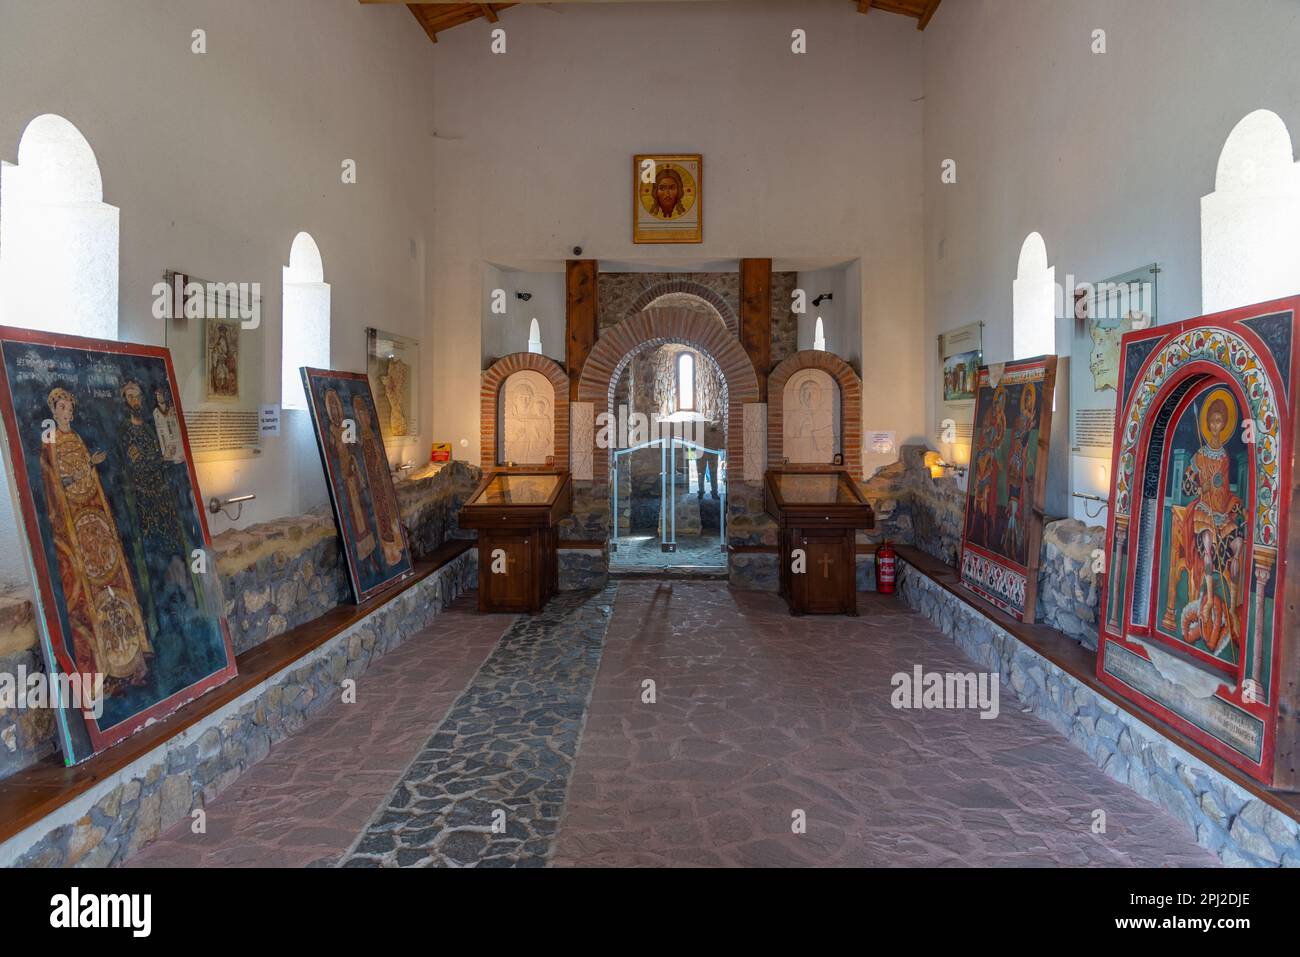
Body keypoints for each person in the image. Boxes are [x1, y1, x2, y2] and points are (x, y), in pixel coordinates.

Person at [40, 386, 151, 693]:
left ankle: (128, 661)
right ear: (54, 411)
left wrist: (91, 464)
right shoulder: (50, 443)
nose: (68, 412)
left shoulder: (76, 439)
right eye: (63, 407)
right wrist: (83, 470)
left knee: (114, 586)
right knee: (89, 597)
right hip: (74, 527)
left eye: (70, 407)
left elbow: (85, 478)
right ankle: (102, 672)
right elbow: (56, 484)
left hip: (95, 520)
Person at [1175, 391, 1246, 656]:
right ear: (1207, 424)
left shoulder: (1225, 456)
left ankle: (1234, 603)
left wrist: (1230, 506)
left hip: (1220, 512)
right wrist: (1200, 485)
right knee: (1207, 540)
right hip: (1202, 512)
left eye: (1220, 422)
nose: (1216, 426)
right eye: (1213, 421)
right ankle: (1207, 598)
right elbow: (1186, 484)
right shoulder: (1200, 456)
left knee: (1238, 541)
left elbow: (1225, 491)